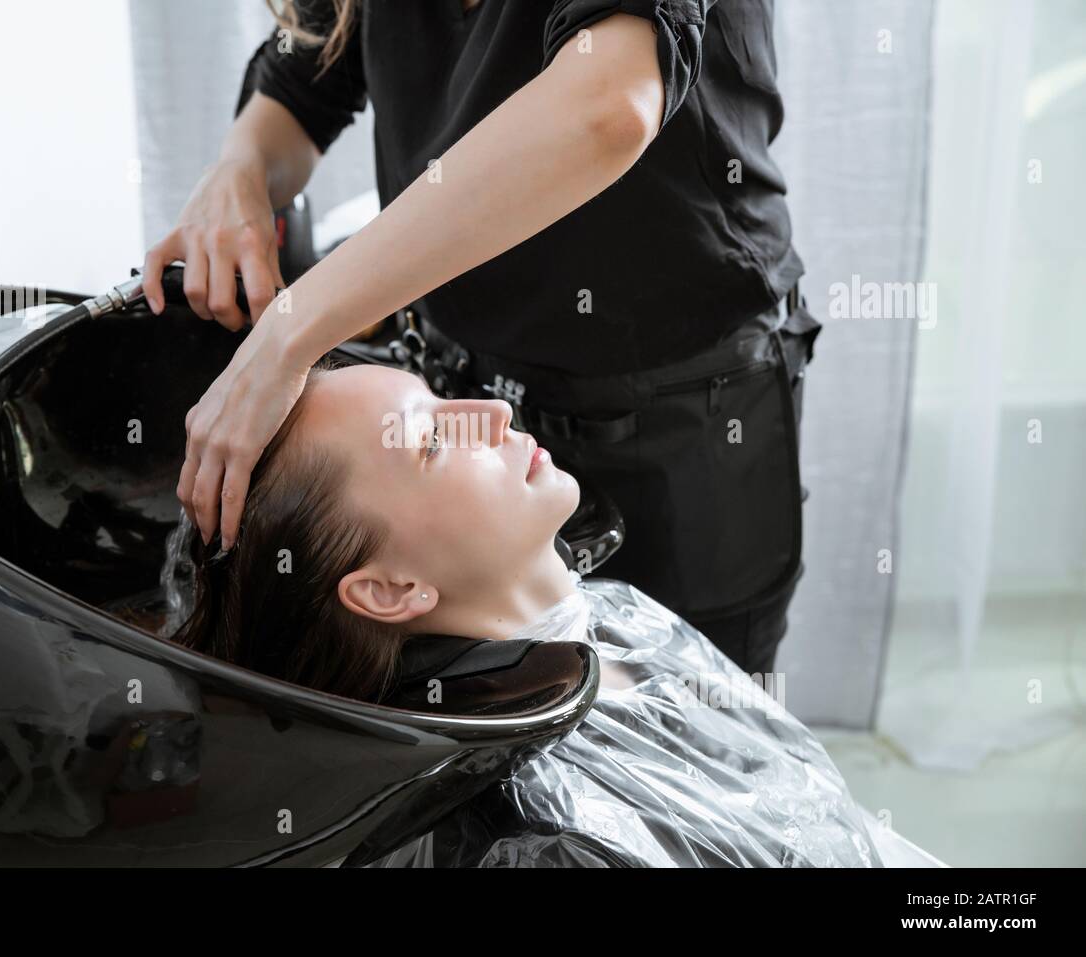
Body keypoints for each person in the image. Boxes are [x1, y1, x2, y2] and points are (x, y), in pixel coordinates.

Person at [144, 0, 821, 677]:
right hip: (472, 392)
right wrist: (239, 168)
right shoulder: (469, 435)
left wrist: (291, 332)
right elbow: (300, 87)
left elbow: (608, 108)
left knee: (701, 719)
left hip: (686, 424)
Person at [170, 363, 880, 867]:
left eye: (439, 397)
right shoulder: (536, 837)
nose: (494, 412)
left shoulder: (621, 621)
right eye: (432, 440)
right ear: (390, 589)